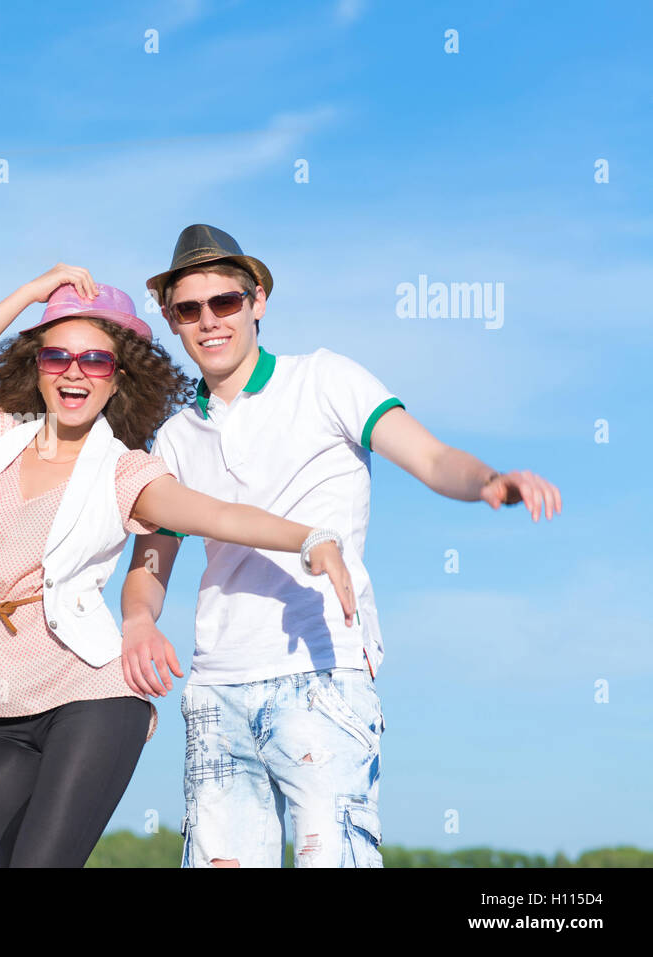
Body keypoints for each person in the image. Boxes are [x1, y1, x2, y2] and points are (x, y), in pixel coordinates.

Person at [121, 224, 563, 868]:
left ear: (258, 300)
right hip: (217, 686)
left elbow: (434, 458)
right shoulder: (174, 438)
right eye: (189, 309)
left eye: (226, 302)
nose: (208, 321)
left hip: (322, 672)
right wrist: (137, 620)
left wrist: (490, 480)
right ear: (171, 318)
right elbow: (150, 564)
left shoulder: (326, 379)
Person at [0, 264, 358, 868]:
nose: (75, 371)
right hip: (3, 708)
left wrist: (311, 537)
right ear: (38, 368)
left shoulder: (123, 471)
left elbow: (218, 514)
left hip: (94, 700)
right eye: (57, 356)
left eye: (95, 361)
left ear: (117, 380)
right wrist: (31, 293)